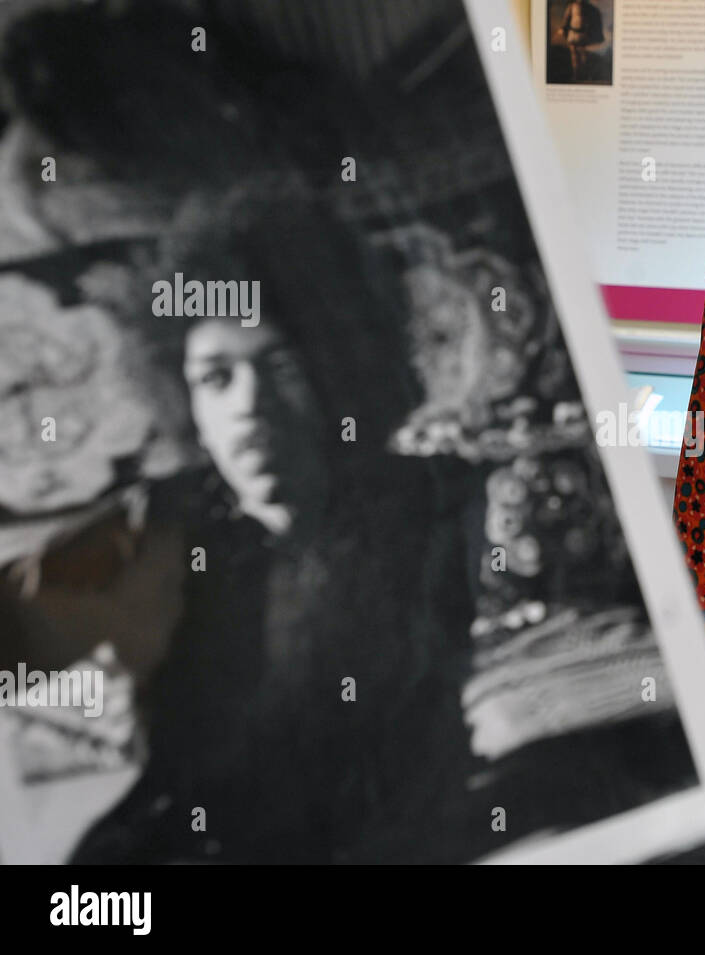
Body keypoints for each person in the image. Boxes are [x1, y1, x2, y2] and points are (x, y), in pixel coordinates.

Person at [69, 191, 489, 864]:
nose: (249, 408)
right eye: (215, 378)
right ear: (185, 402)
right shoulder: (194, 547)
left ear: (340, 376)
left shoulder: (428, 518)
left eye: (283, 366)